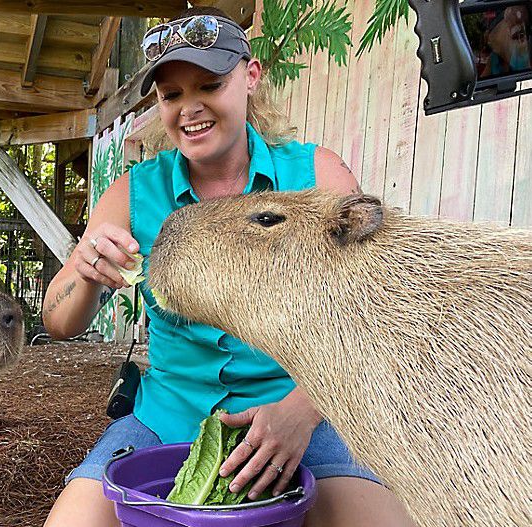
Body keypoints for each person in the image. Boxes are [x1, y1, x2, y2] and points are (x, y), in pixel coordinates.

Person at [41, 6, 417, 527]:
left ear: (250, 76)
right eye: (171, 95)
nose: (189, 108)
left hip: (299, 409)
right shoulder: (134, 192)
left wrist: (302, 411)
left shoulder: (313, 174)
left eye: (210, 84)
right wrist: (84, 271)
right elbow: (58, 322)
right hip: (168, 416)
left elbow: (376, 316)